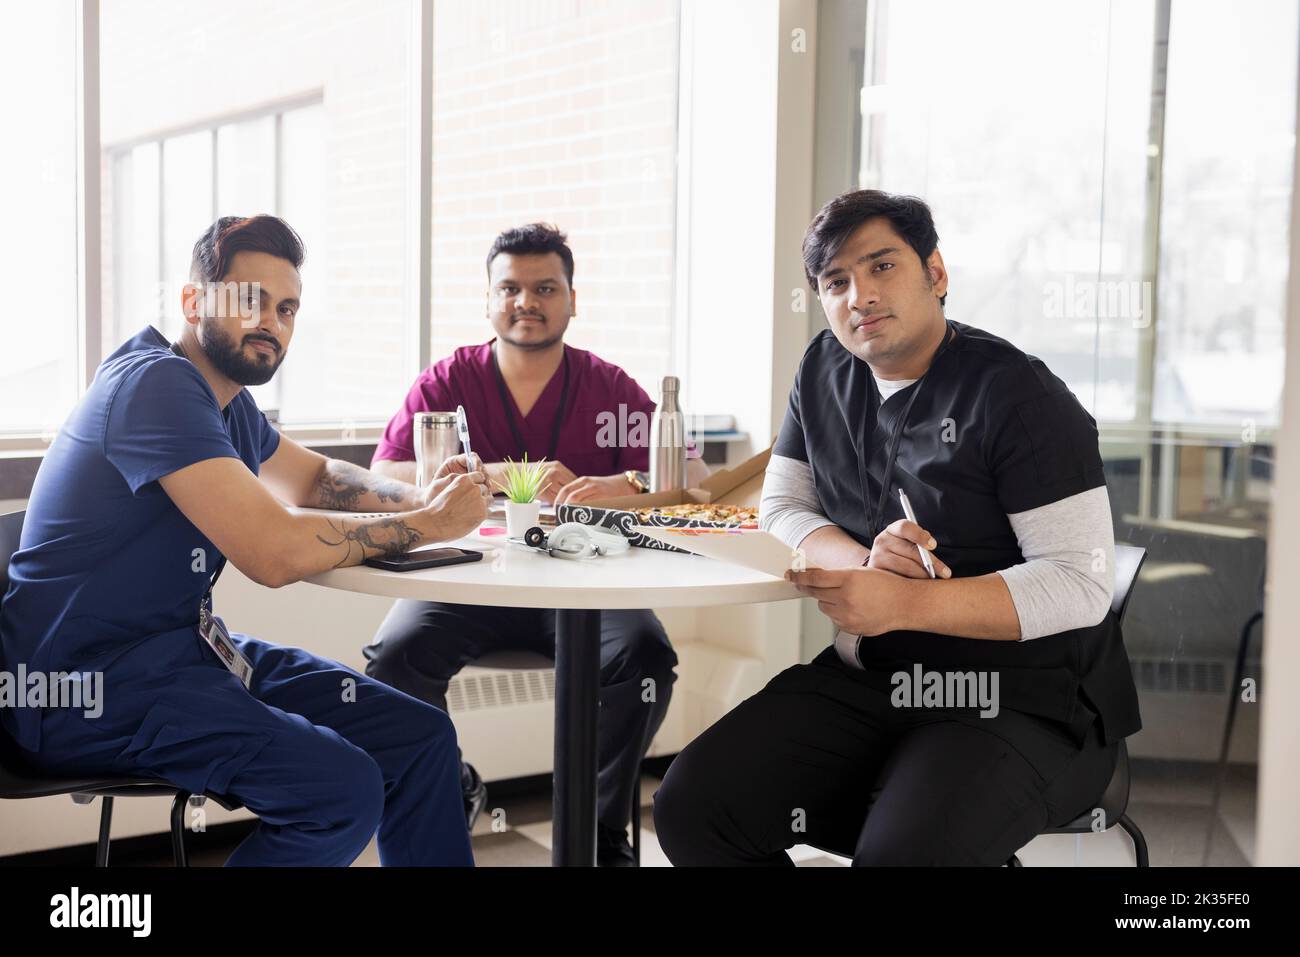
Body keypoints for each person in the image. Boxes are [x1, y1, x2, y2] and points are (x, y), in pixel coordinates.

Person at [652, 189, 1142, 866]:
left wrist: (906, 601)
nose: (860, 295)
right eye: (836, 281)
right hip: (873, 682)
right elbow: (784, 503)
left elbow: (1080, 581)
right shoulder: (825, 368)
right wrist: (863, 564)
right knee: (695, 805)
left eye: (882, 267)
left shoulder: (1019, 398)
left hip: (1020, 703)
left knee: (901, 856)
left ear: (935, 274)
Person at [0, 215, 490, 866]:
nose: (273, 323)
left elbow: (315, 477)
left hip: (181, 652)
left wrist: (425, 499)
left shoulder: (222, 401)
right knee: (339, 788)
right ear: (192, 301)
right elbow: (273, 550)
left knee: (419, 734)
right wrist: (429, 526)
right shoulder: (156, 384)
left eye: (287, 308)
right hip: (84, 685)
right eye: (251, 300)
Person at [366, 223, 706, 865]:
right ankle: (450, 785)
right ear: (488, 300)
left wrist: (624, 479)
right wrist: (480, 474)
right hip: (466, 580)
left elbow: (692, 479)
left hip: (582, 589)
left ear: (572, 299)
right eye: (511, 288)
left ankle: (599, 832)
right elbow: (385, 476)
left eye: (546, 287)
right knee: (392, 661)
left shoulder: (608, 387)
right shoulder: (445, 384)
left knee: (647, 660)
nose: (527, 301)